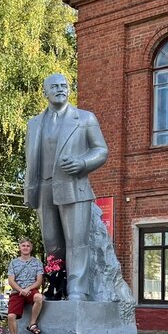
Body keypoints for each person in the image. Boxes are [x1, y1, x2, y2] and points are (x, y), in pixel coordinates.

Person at [24, 73, 108, 300]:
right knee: (52, 244)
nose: (61, 89)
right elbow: (31, 159)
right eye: (55, 86)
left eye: (64, 85)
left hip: (74, 187)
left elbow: (101, 150)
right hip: (43, 189)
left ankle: (77, 290)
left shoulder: (85, 118)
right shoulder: (34, 124)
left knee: (76, 243)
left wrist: (82, 163)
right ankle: (57, 286)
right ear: (45, 92)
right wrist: (29, 191)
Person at [6, 238, 44, 334]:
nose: (25, 247)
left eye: (28, 245)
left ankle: (32, 324)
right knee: (11, 316)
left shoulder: (37, 262)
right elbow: (11, 280)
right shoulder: (13, 263)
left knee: (39, 297)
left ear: (31, 248)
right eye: (23, 245)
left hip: (31, 290)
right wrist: (20, 290)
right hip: (17, 292)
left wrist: (27, 289)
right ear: (19, 248)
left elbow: (39, 281)